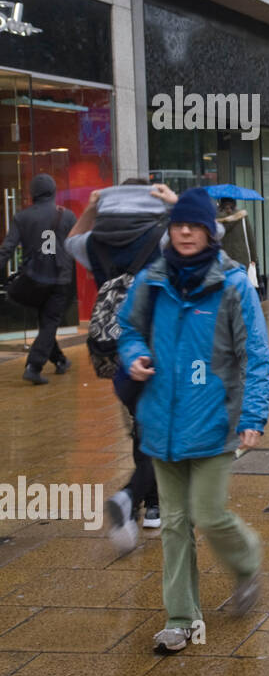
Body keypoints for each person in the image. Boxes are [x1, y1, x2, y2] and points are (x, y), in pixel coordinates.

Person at [117, 187, 269, 652]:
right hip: (161, 421)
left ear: (210, 231)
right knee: (174, 523)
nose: (185, 232)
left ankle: (247, 562)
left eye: (195, 225)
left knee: (208, 512)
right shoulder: (151, 280)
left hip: (214, 421)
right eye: (179, 224)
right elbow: (127, 330)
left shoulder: (232, 285)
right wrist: (136, 355)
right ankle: (180, 618)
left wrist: (254, 414)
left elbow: (256, 356)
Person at [66, 179, 174, 550]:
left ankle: (148, 502)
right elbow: (213, 235)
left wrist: (93, 209)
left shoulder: (96, 244)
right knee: (159, 427)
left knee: (140, 424)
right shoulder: (162, 238)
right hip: (159, 341)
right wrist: (173, 203)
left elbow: (69, 242)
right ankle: (136, 500)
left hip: (114, 345)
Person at [0, 174, 77, 385]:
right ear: (54, 192)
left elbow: (7, 249)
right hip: (60, 279)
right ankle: (34, 366)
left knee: (46, 322)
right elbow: (78, 245)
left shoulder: (22, 218)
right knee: (50, 323)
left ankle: (60, 360)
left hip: (32, 280)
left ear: (32, 194)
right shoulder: (68, 216)